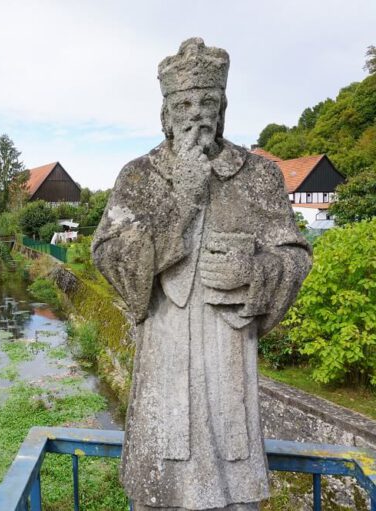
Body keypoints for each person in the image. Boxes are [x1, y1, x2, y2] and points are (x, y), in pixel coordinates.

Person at [92, 38, 312, 510]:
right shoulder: (138, 177)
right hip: (163, 364)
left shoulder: (259, 177)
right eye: (184, 104)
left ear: (223, 107)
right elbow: (108, 255)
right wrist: (182, 203)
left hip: (229, 364)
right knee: (159, 491)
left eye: (207, 102)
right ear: (166, 114)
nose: (196, 114)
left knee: (235, 490)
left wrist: (254, 270)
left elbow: (294, 258)